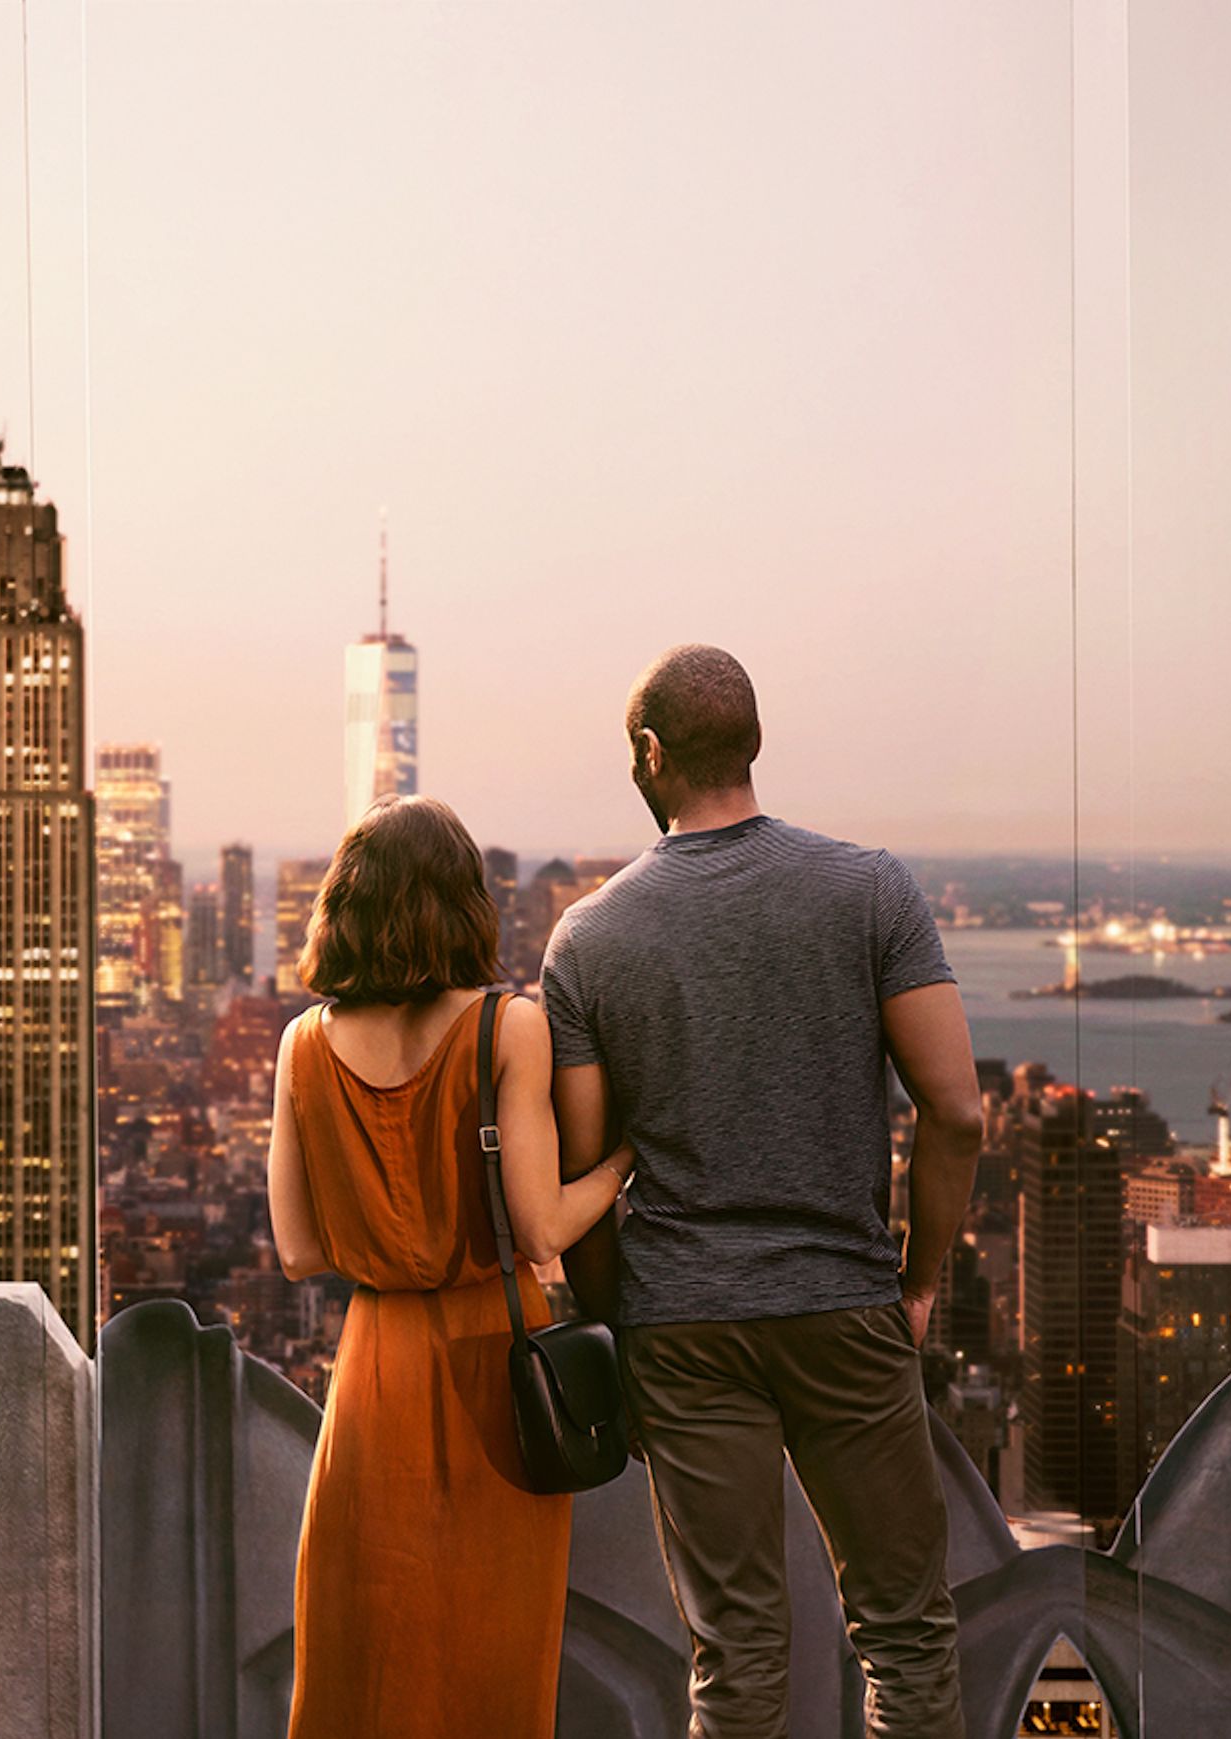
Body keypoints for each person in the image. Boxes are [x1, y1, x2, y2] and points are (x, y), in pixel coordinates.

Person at [541, 644, 983, 1739]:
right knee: (905, 1635)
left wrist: (618, 1330)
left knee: (733, 1659)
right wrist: (917, 1283)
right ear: (751, 741)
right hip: (844, 1301)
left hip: (683, 1322)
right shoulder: (869, 887)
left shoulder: (588, 938)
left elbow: (587, 1172)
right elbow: (960, 1112)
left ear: (651, 752)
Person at [266, 793, 636, 1739]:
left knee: (367, 1662)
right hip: (494, 1365)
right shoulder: (508, 1026)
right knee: (488, 1665)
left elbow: (300, 1249)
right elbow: (543, 1227)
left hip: (371, 1375)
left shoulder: (302, 1045)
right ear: (464, 902)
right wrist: (626, 1161)